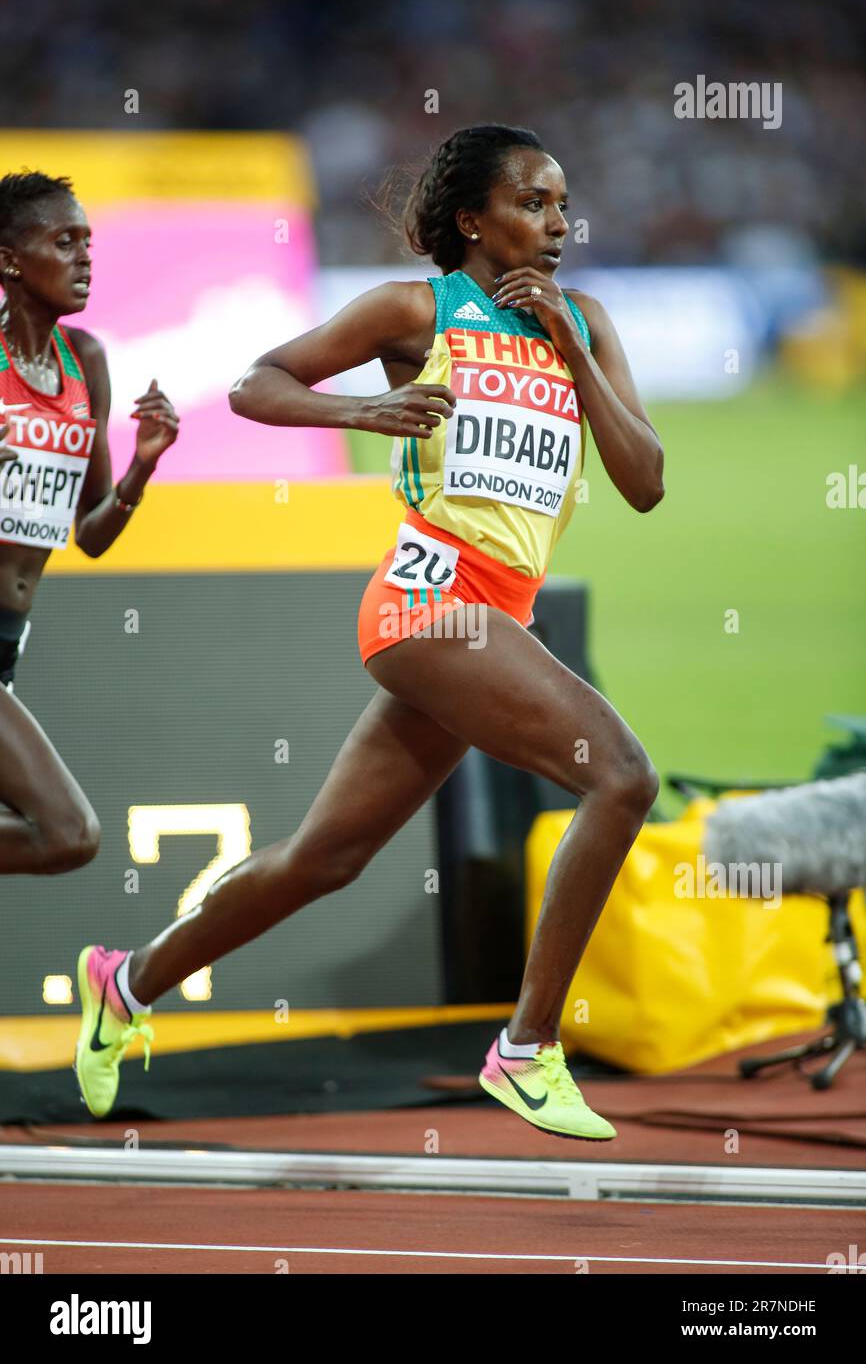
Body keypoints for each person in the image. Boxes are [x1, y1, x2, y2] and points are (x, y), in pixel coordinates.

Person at [75, 125, 664, 1141]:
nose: (557, 224)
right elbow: (256, 382)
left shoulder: (587, 324)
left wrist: (571, 350)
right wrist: (364, 412)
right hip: (429, 601)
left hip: (493, 620)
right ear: (473, 220)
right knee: (620, 774)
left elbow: (644, 482)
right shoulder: (415, 310)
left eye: (564, 207)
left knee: (323, 858)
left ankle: (126, 980)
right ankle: (525, 1048)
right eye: (533, 203)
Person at [0, 171, 179, 880]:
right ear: (10, 261)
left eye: (88, 242)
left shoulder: (87, 361)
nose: (84, 258)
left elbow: (92, 535)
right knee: (67, 832)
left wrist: (141, 469)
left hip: (9, 646)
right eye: (64, 241)